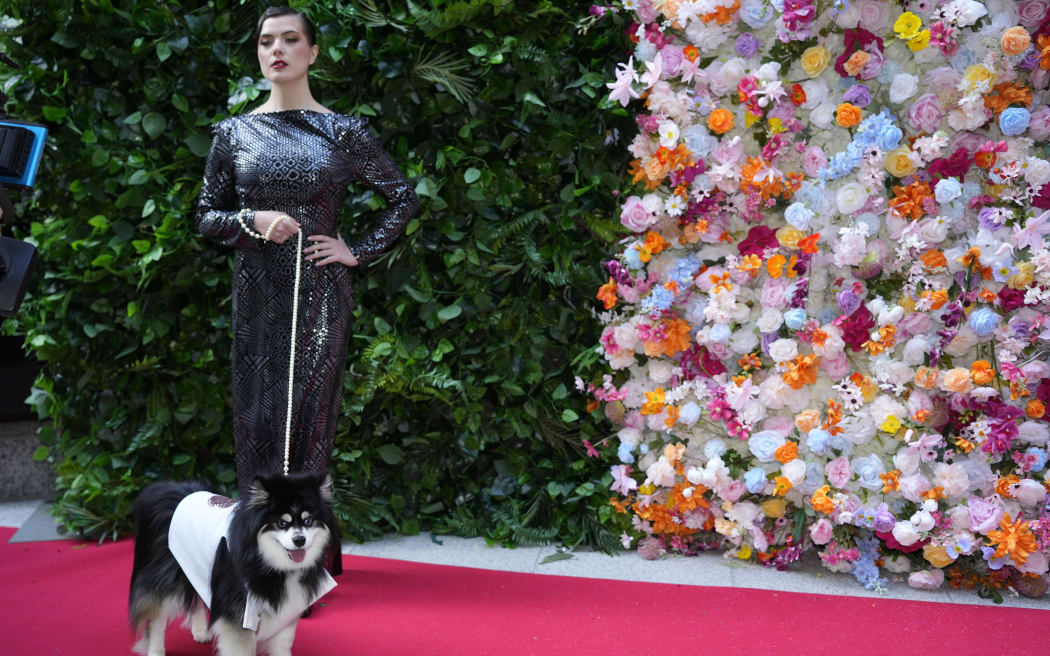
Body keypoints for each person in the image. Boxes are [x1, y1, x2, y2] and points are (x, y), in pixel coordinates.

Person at [195, 5, 419, 568]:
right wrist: (254, 223)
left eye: (290, 40)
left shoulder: (344, 132)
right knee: (255, 423)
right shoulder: (234, 132)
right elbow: (205, 217)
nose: (277, 50)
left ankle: (310, 563)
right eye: (267, 41)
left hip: (320, 297)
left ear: (312, 53)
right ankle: (256, 559)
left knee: (309, 423)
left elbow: (402, 198)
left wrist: (356, 251)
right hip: (255, 297)